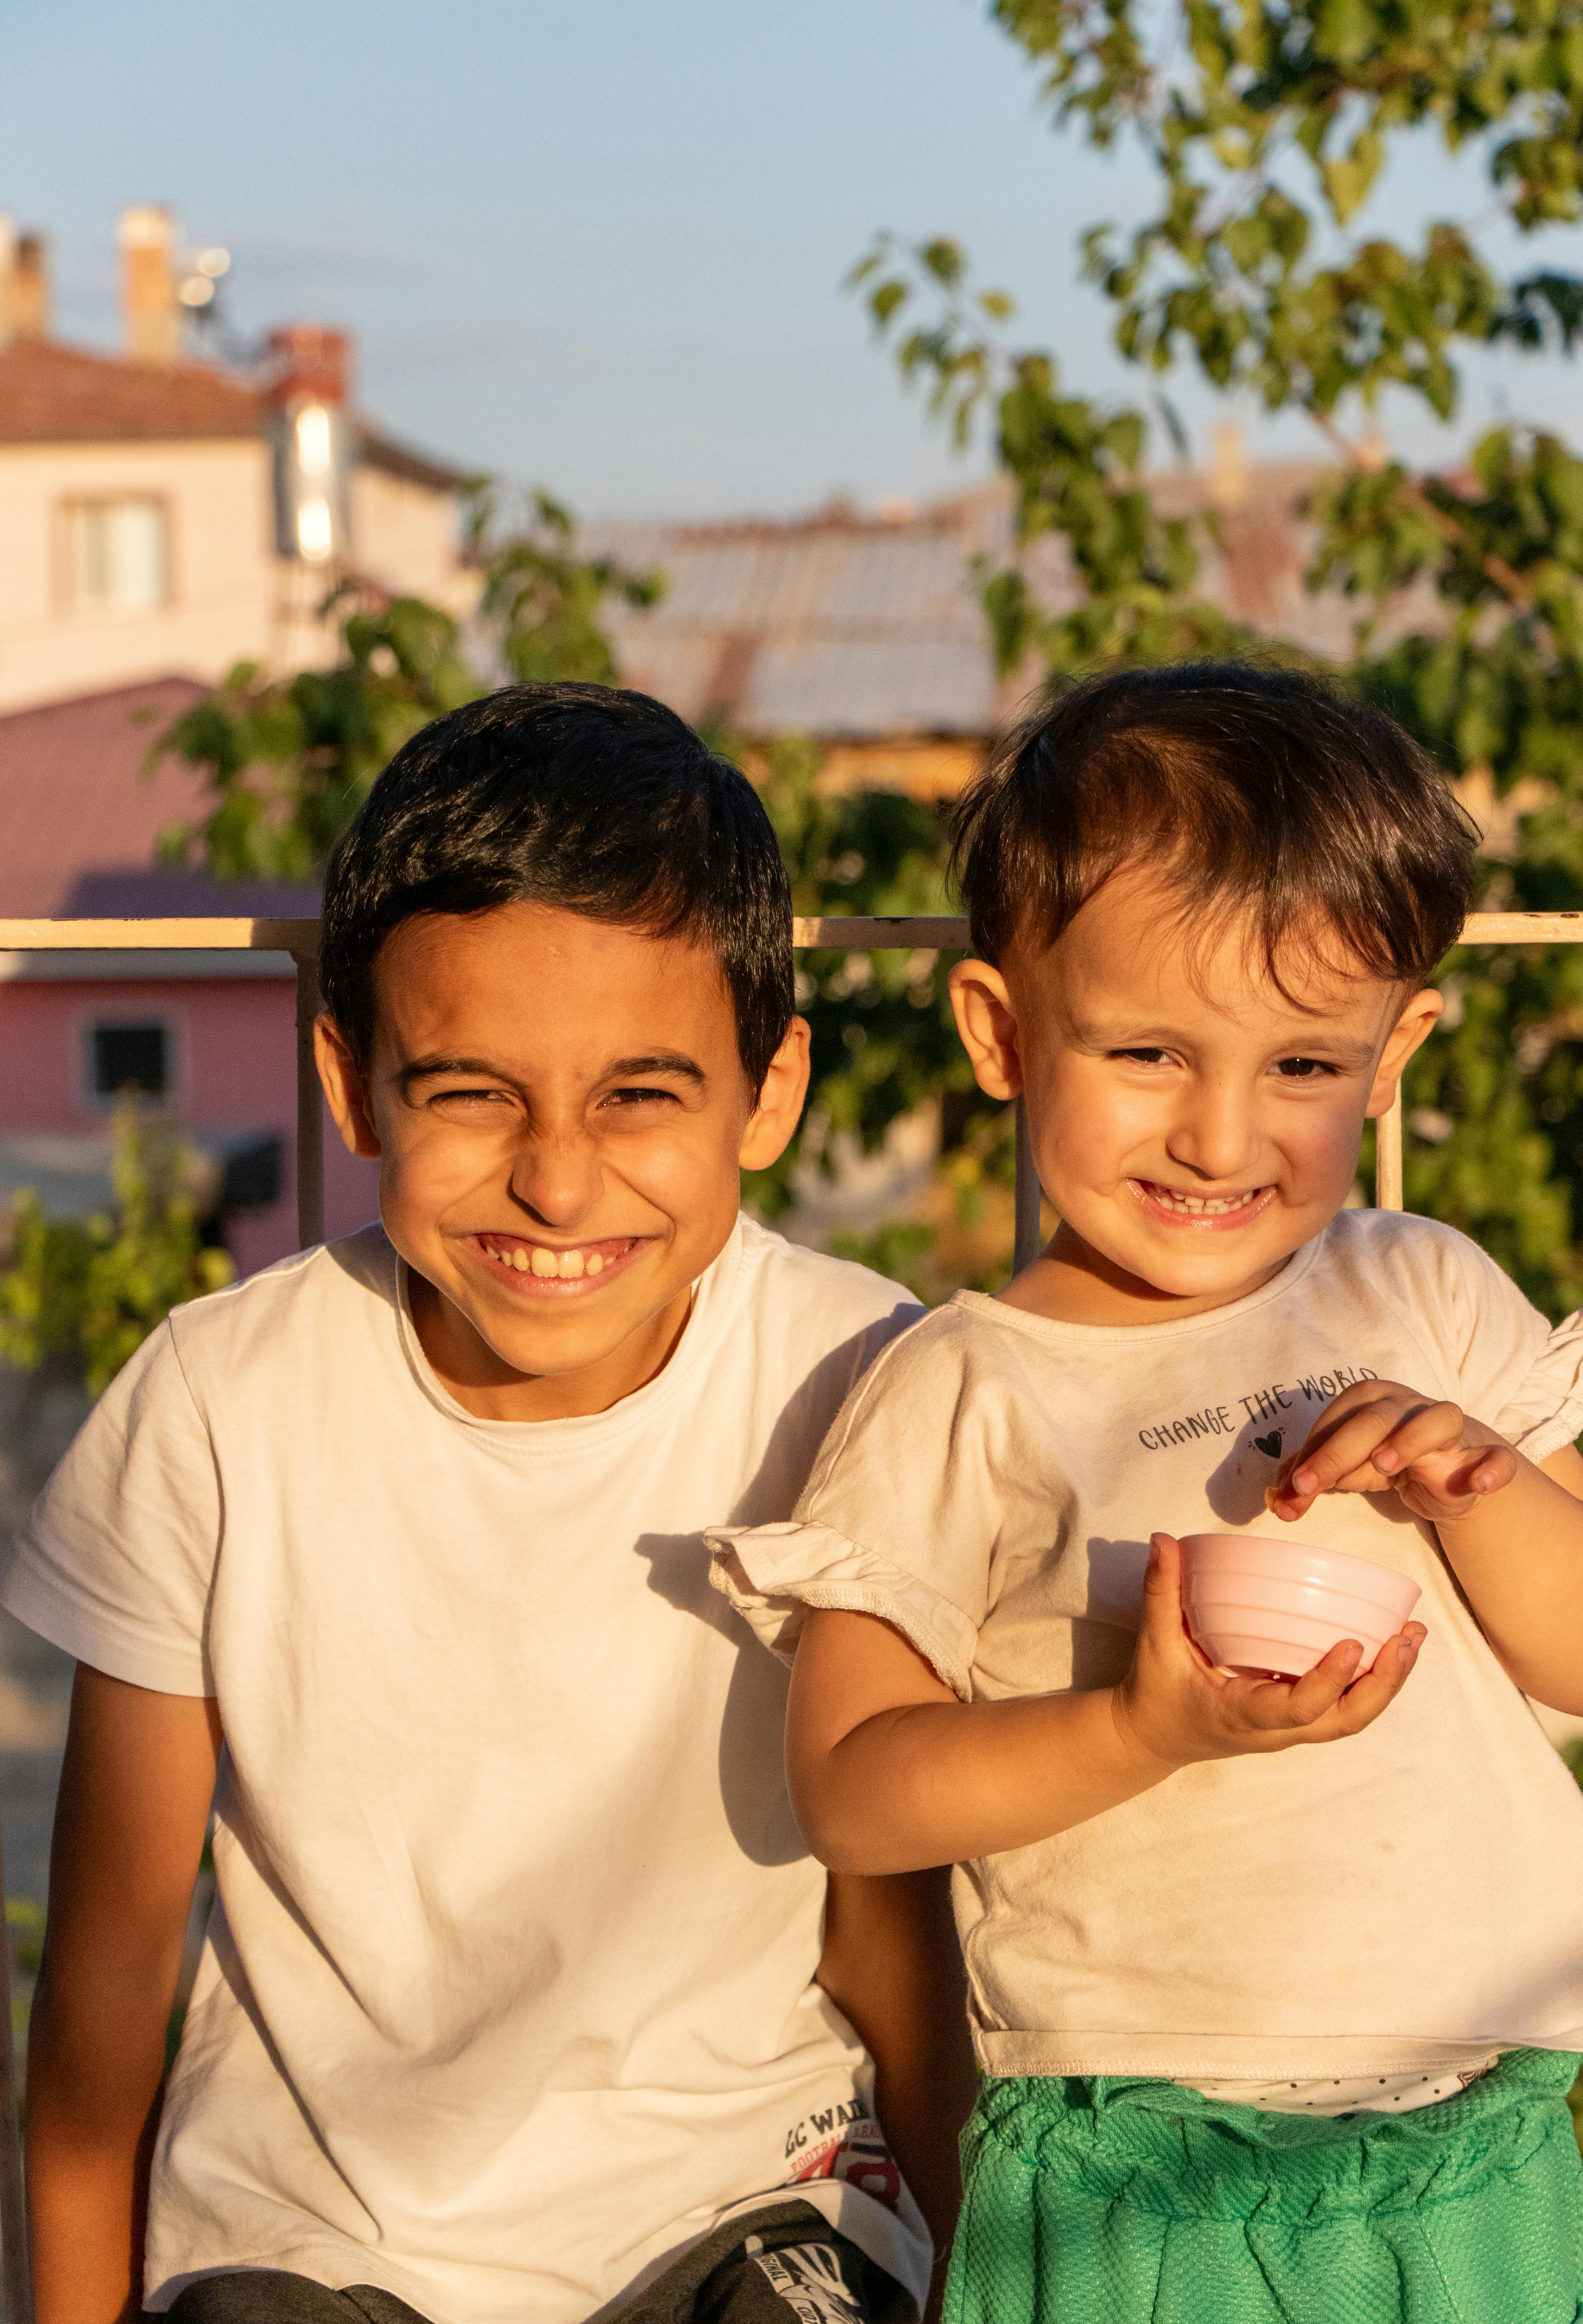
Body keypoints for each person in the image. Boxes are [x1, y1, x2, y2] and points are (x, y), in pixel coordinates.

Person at [4, 684, 975, 2324]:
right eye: (469, 1092)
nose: (556, 1176)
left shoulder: (862, 1375)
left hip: (749, 2205)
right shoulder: (217, 1409)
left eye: (641, 1095)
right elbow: (99, 2024)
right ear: (352, 1079)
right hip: (310, 2243)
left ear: (773, 1088)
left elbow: (900, 1951)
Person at [709, 662, 1583, 2324]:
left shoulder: (1427, 1294)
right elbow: (851, 1791)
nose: (1217, 1132)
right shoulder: (957, 1386)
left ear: (1396, 1055)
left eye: (1304, 1068)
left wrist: (1479, 1482)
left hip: (1474, 2143)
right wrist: (1143, 1732)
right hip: (1133, 2166)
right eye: (1146, 1053)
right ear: (998, 1031)